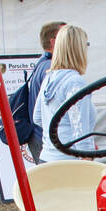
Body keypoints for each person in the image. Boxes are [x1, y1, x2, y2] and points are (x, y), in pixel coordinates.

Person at [33, 24, 95, 163]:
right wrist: (87, 162)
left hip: (47, 159)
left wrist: (57, 137)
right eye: (86, 45)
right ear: (78, 49)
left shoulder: (49, 77)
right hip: (69, 163)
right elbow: (81, 135)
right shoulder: (75, 83)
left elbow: (37, 117)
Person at [25, 20, 66, 161]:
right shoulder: (52, 69)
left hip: (43, 140)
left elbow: (37, 116)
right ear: (54, 42)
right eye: (66, 37)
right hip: (52, 143)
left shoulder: (42, 63)